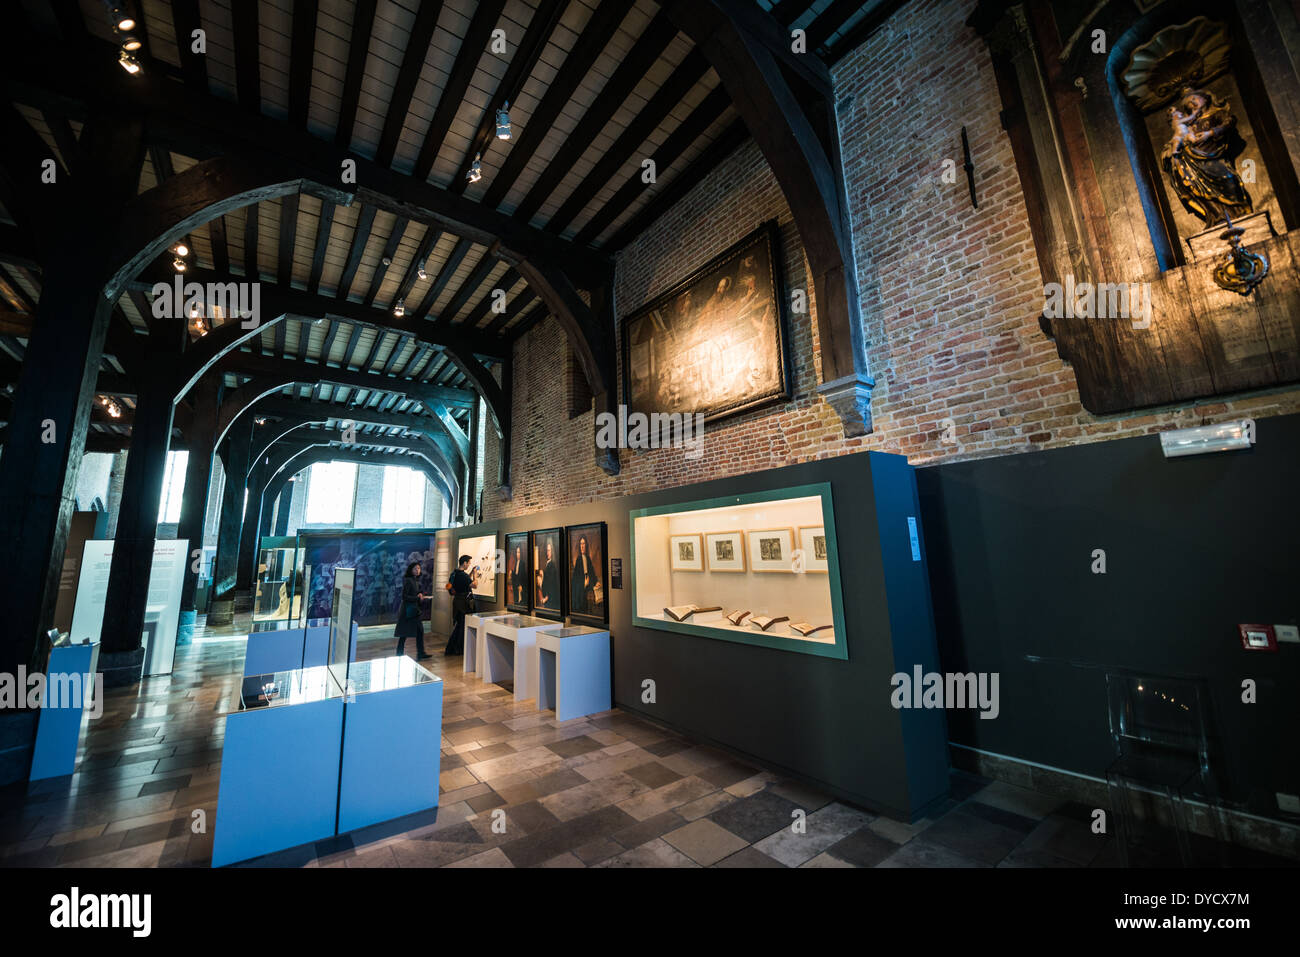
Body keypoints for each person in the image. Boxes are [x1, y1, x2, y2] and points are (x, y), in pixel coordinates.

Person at [394, 561, 431, 660]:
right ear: (411, 570)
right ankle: (400, 654)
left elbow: (414, 593)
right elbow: (404, 596)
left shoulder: (414, 580)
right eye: (415, 568)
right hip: (408, 611)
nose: (418, 570)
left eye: (419, 568)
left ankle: (420, 653)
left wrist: (419, 594)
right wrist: (417, 598)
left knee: (418, 631)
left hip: (413, 610)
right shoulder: (409, 580)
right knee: (404, 633)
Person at [445, 554, 473, 656]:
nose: (469, 565)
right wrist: (475, 575)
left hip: (457, 602)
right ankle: (456, 649)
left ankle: (452, 648)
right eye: (469, 563)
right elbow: (474, 585)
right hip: (463, 604)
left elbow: (462, 583)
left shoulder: (455, 573)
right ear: (464, 563)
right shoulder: (463, 576)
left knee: (459, 626)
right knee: (461, 627)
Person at [570, 535, 598, 615]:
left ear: (586, 545)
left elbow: (592, 572)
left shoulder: (588, 558)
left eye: (584, 544)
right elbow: (576, 578)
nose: (582, 546)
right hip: (581, 586)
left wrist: (596, 582)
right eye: (581, 544)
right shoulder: (579, 559)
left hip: (588, 582)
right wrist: (583, 583)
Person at [539, 541, 559, 611]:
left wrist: (546, 598)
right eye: (547, 550)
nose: (548, 553)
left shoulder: (552, 565)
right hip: (547, 597)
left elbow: (551, 584)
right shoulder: (548, 563)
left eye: (549, 551)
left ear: (552, 551)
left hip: (550, 599)